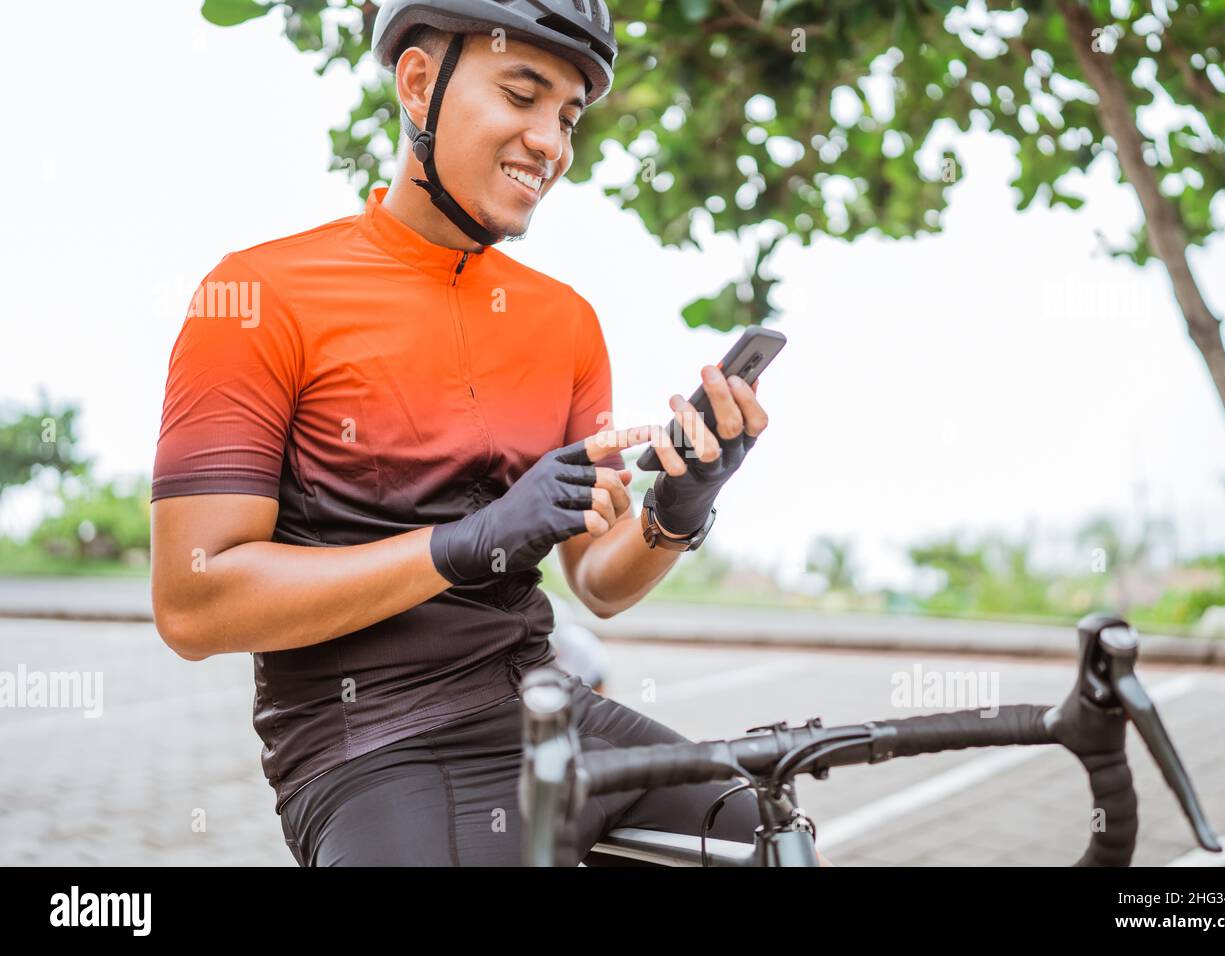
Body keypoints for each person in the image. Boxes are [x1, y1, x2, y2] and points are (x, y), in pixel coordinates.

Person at [151, 0, 828, 866]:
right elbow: (193, 604)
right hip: (372, 745)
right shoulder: (256, 296)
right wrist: (466, 542)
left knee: (773, 843)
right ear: (419, 82)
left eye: (569, 116)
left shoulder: (564, 322)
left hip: (547, 707)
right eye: (522, 94)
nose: (550, 141)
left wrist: (681, 504)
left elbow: (601, 581)